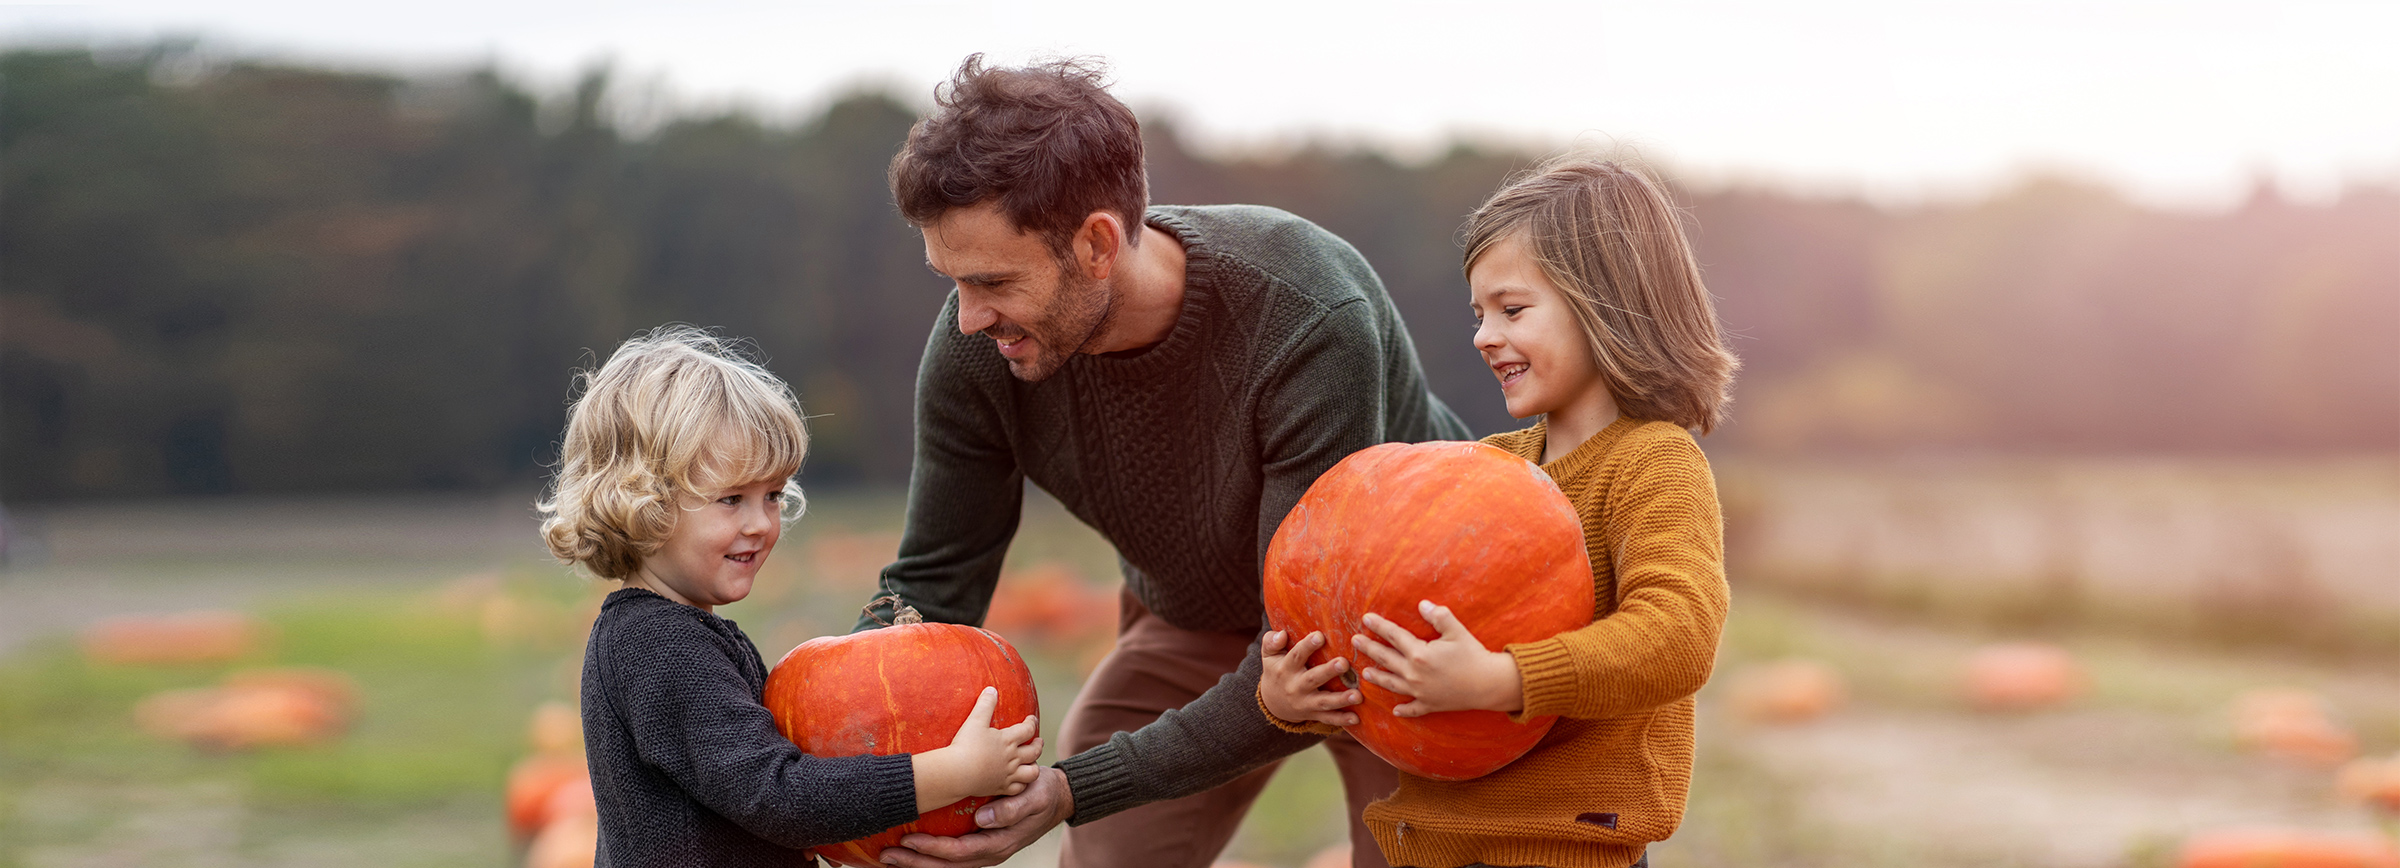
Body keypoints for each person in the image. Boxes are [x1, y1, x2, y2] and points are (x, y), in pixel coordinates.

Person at [864, 55, 1471, 868]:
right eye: (952, 283)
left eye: (993, 282)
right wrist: (823, 756)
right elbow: (933, 587)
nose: (968, 318)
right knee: (1113, 856)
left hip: (1404, 627)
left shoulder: (1305, 318)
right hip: (1194, 619)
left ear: (1097, 243)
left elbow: (1302, 649)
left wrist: (1076, 786)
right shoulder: (981, 350)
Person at [1258, 156, 1739, 868]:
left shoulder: (1652, 462)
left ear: (1604, 304)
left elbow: (1678, 635)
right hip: (1433, 842)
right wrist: (1295, 696)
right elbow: (1399, 633)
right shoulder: (1490, 466)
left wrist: (1505, 679)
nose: (1484, 335)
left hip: (1562, 847)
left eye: (1512, 311)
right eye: (1479, 314)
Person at [538, 326, 1043, 867]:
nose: (760, 523)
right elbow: (776, 797)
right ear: (644, 502)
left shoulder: (674, 632)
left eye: (773, 495)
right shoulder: (658, 646)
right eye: (732, 499)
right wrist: (947, 774)